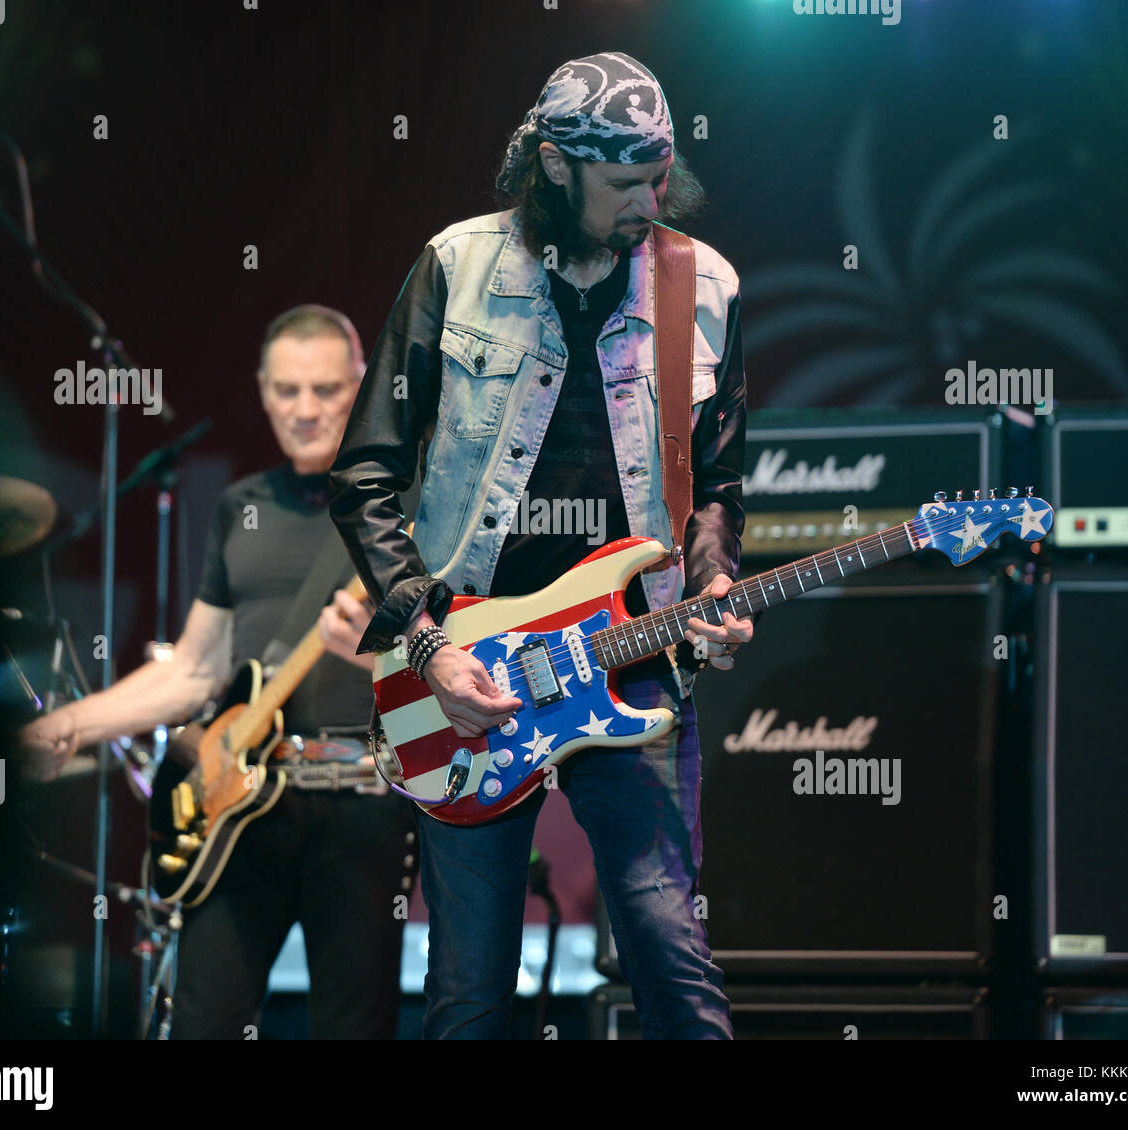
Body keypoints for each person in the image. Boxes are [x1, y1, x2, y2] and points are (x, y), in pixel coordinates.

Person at [328, 53, 752, 1039]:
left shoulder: (708, 284)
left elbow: (718, 492)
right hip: (468, 669)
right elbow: (364, 475)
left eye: (661, 175)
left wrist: (715, 580)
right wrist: (431, 647)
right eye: (623, 183)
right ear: (554, 165)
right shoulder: (455, 265)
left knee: (674, 969)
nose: (651, 199)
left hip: (635, 658)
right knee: (469, 992)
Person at [20, 305, 417, 1039]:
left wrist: (388, 648)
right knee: (200, 1025)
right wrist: (69, 724)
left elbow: (468, 664)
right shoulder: (242, 508)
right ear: (263, 392)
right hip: (236, 813)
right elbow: (197, 671)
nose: (306, 410)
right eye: (288, 391)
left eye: (328, 390)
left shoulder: (402, 509)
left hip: (364, 804)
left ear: (363, 387)